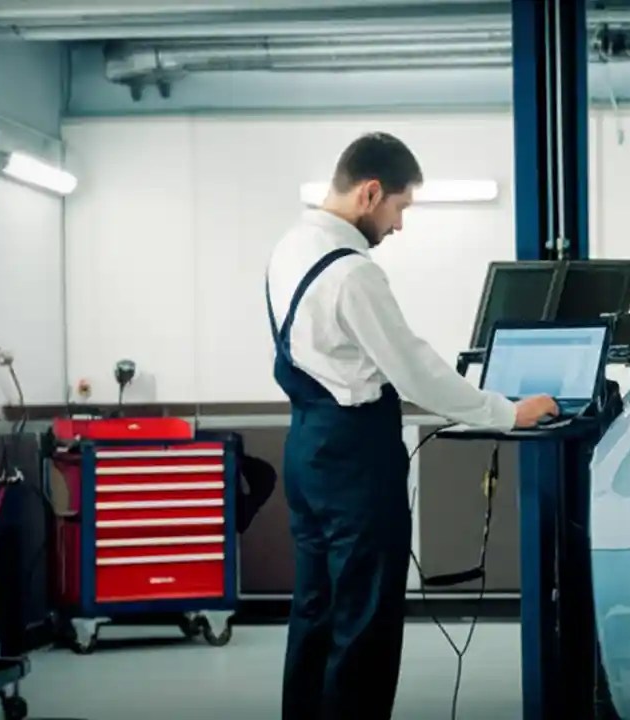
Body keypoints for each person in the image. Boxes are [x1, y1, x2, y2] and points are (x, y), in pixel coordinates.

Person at [264, 131, 558, 720]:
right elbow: (416, 369)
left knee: (316, 615)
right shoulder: (353, 273)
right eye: (400, 208)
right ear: (371, 193)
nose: (398, 225)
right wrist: (508, 411)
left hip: (307, 449)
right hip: (353, 459)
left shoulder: (290, 246)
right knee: (365, 622)